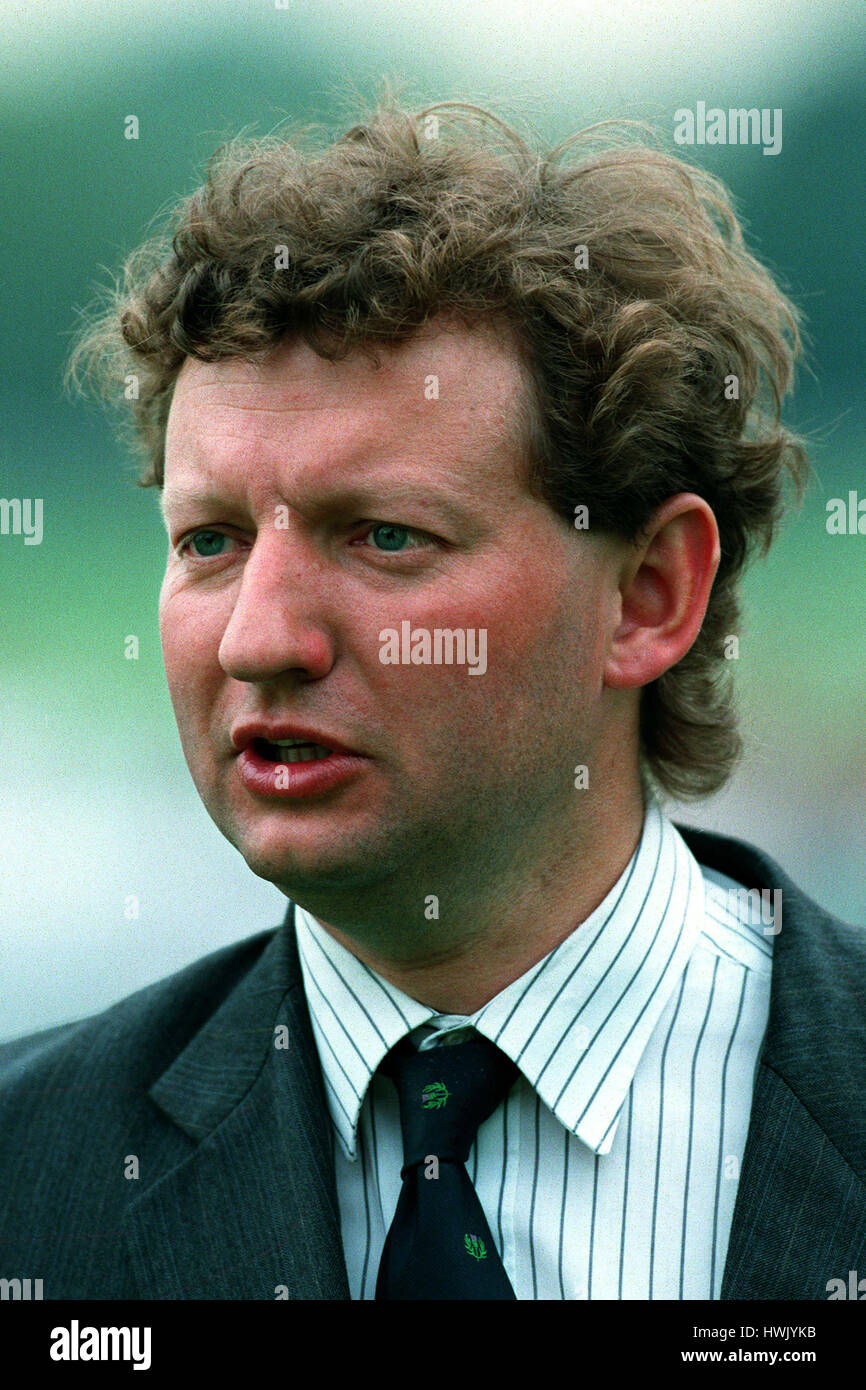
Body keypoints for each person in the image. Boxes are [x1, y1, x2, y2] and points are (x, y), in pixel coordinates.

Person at [2, 95, 863, 1302]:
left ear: (648, 595)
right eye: (209, 540)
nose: (259, 638)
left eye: (387, 535)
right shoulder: (27, 1177)